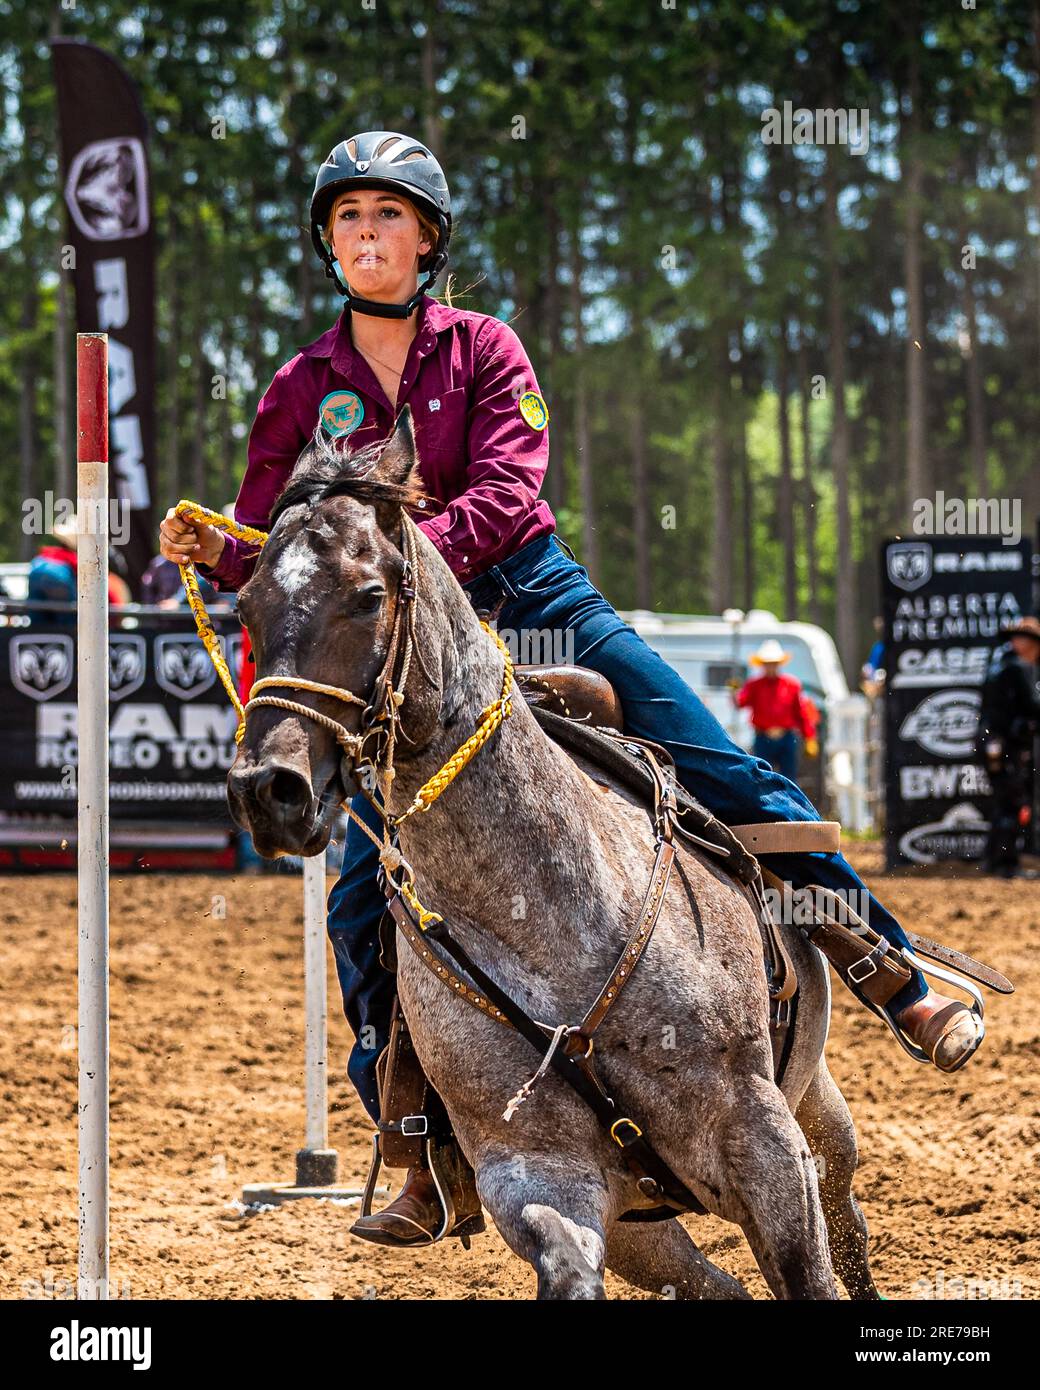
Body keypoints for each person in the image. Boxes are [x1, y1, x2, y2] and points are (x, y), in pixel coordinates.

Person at [158, 129, 985, 1248]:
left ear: (428, 237)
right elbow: (279, 550)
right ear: (327, 241)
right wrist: (215, 550)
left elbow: (509, 487)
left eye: (387, 216)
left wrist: (407, 564)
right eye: (347, 218)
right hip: (393, 660)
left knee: (728, 774)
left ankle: (885, 970)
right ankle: (418, 1147)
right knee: (362, 904)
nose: (366, 235)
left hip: (528, 598)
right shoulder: (301, 387)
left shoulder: (486, 348)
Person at [976, 616, 1040, 878]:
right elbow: (1033, 706)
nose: (1018, 642)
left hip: (994, 742)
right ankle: (1005, 864)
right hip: (1005, 744)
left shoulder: (1000, 665)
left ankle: (995, 860)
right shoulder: (1017, 668)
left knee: (1005, 801)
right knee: (1012, 802)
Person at [734, 639, 818, 781]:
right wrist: (735, 693)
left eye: (773, 663)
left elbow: (801, 713)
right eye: (767, 664)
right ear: (762, 665)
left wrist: (809, 737)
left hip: (786, 738)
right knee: (762, 777)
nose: (771, 667)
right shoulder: (754, 685)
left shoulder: (792, 685)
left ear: (779, 664)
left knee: (789, 779)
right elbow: (741, 703)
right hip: (763, 737)